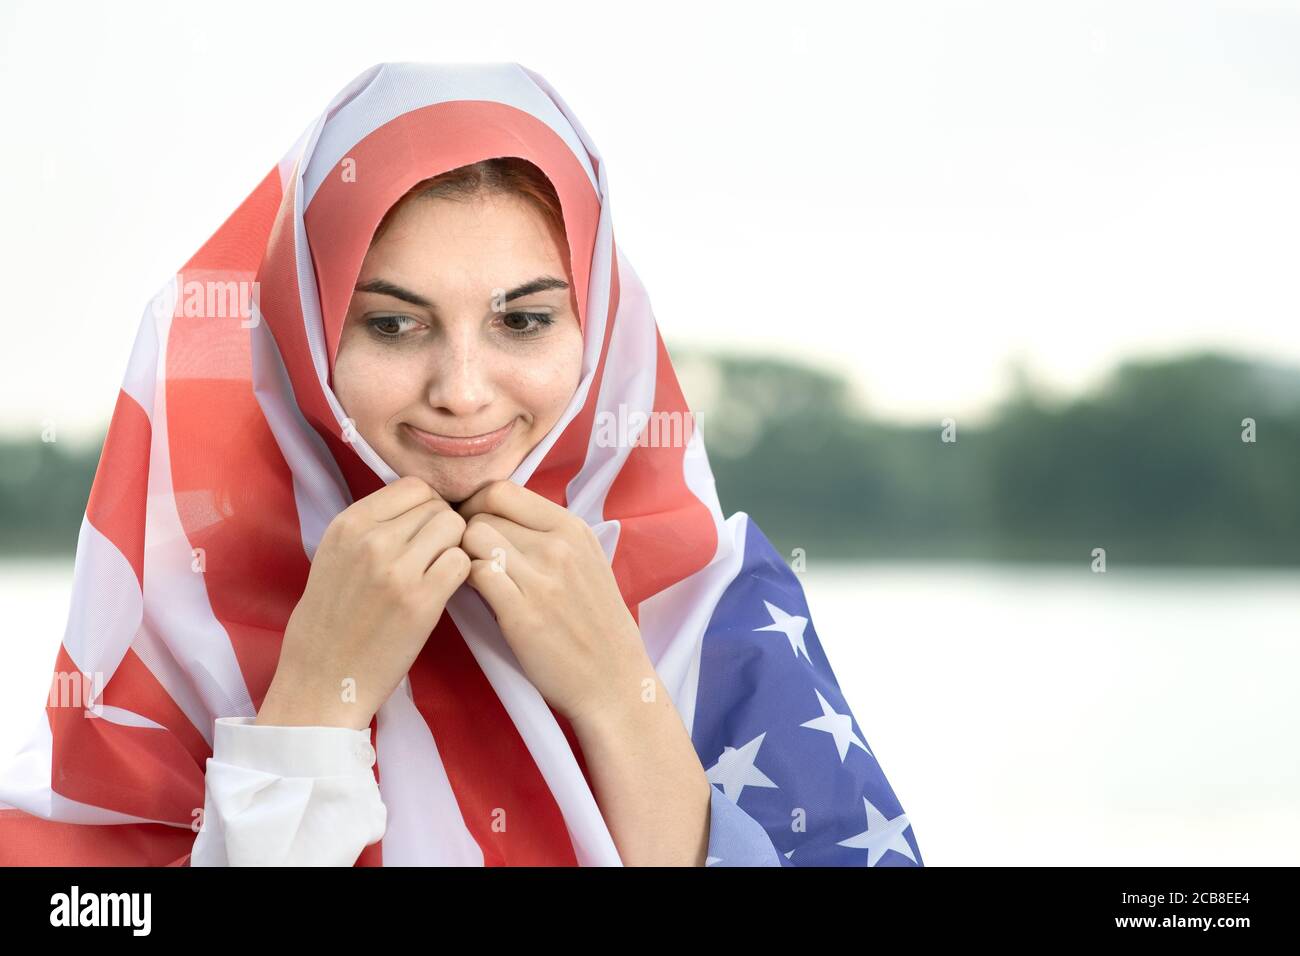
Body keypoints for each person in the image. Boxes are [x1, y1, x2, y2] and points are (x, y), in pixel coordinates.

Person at [0, 62, 922, 867]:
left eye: (523, 320)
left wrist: (619, 697)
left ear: (599, 328)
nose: (464, 392)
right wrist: (309, 713)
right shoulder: (180, 618)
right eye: (393, 324)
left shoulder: (722, 614)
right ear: (302, 334)